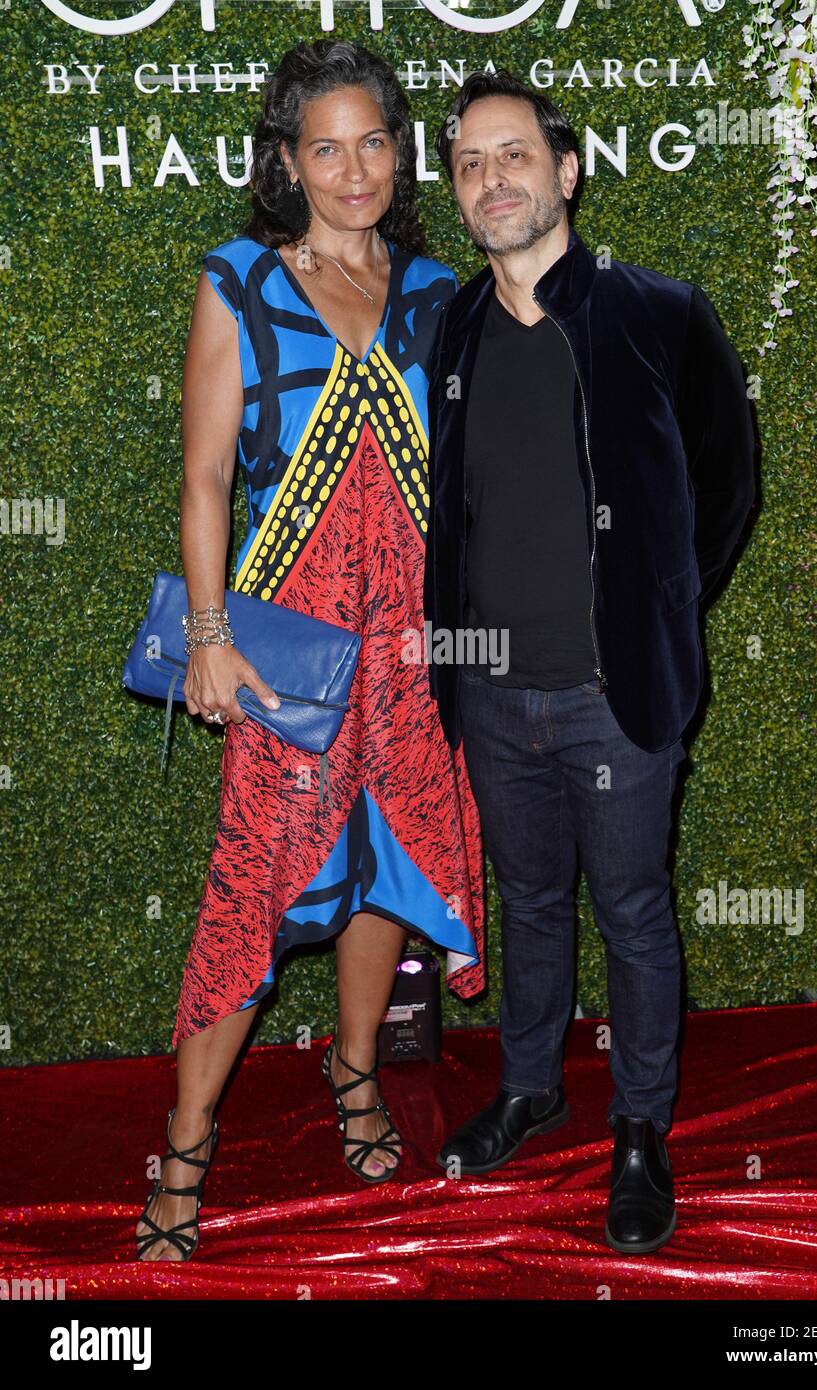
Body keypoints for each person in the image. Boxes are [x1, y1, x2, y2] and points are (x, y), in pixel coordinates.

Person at [135, 39, 485, 1262]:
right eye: (323, 147)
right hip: (290, 647)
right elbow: (203, 476)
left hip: (414, 650)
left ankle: (352, 1071)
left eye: (373, 142)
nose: (352, 169)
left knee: (387, 863)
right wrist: (212, 640)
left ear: (402, 151)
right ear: (285, 160)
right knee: (251, 889)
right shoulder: (236, 280)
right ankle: (183, 1144)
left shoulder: (441, 291)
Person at [424, 71, 757, 1254]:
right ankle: (530, 1087)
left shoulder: (658, 312)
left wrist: (653, 612)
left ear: (565, 172)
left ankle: (639, 1129)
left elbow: (728, 484)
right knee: (523, 902)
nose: (490, 179)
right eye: (467, 163)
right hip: (491, 693)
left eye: (512, 155)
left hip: (615, 699)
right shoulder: (449, 326)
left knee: (629, 909)